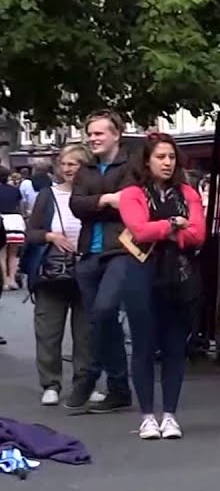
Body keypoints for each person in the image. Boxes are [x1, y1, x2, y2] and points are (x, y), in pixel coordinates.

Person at [117, 133, 207, 439]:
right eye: (160, 157)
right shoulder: (132, 193)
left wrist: (173, 232)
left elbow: (198, 235)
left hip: (179, 276)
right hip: (143, 274)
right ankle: (147, 417)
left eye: (171, 157)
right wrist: (173, 225)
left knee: (174, 348)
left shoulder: (188, 192)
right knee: (142, 346)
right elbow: (139, 231)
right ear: (146, 160)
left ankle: (170, 415)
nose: (167, 163)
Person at [24, 145, 102, 407]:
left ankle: (84, 383)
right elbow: (31, 232)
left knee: (86, 332)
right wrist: (51, 236)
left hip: (87, 268)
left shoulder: (95, 196)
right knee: (48, 330)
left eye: (75, 164)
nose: (68, 169)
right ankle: (50, 383)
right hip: (53, 273)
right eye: (65, 164)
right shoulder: (48, 196)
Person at [69, 110, 135, 413]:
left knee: (105, 309)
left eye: (99, 133)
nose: (93, 139)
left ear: (116, 135)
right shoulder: (86, 169)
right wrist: (107, 200)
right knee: (100, 320)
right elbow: (76, 205)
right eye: (90, 134)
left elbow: (131, 203)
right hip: (89, 252)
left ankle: (90, 373)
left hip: (119, 249)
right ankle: (119, 388)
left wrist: (96, 203)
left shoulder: (130, 165)